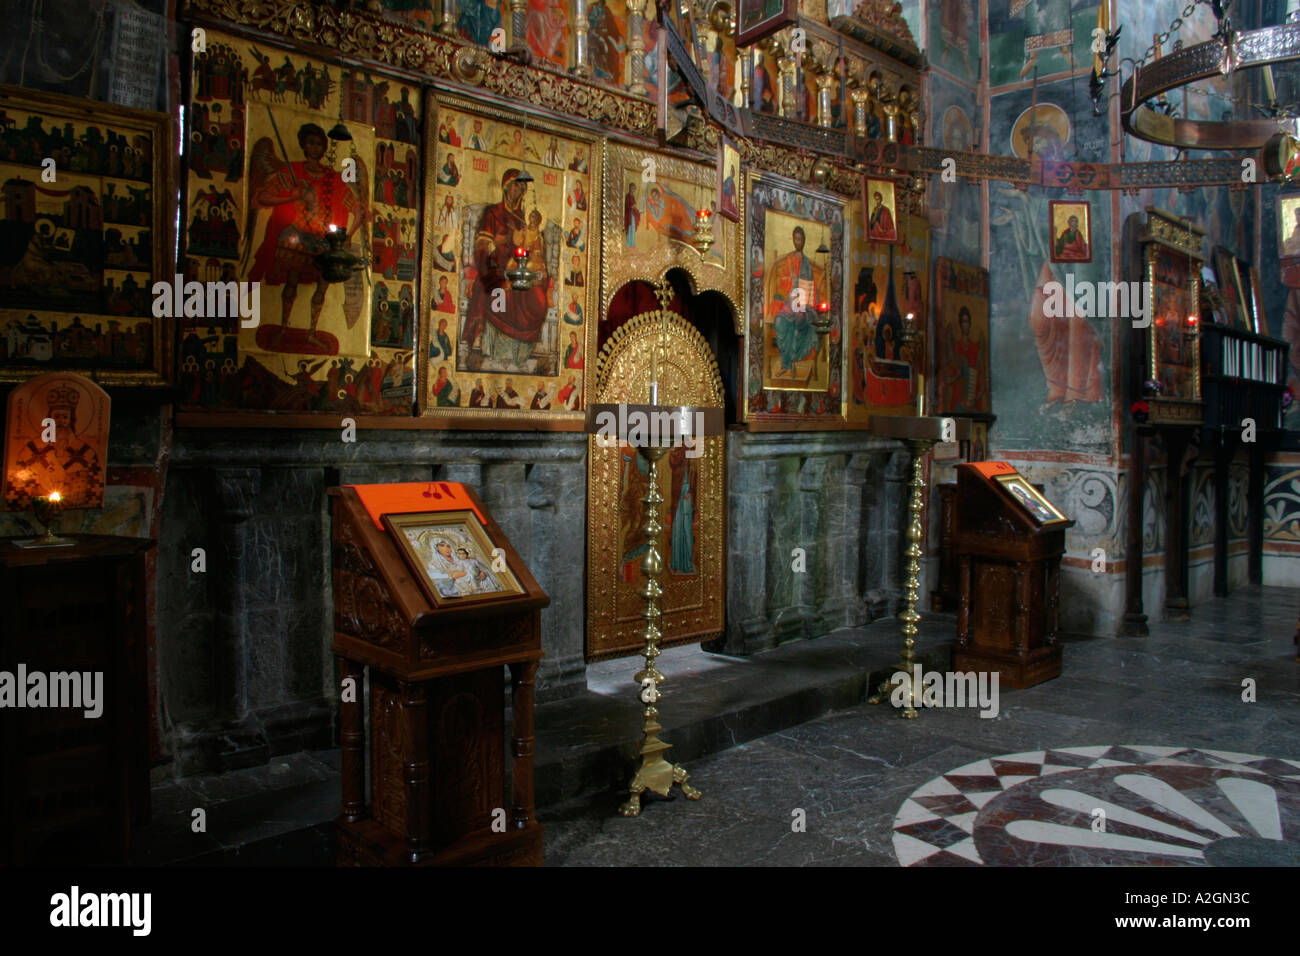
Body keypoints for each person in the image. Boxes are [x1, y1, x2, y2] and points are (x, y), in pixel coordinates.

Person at [248, 122, 361, 345]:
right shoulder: (292, 172)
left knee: (323, 284)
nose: (315, 148)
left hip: (322, 239)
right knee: (292, 281)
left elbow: (358, 209)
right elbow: (263, 198)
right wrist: (293, 196)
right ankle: (283, 327)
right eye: (311, 142)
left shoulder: (334, 179)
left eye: (319, 144)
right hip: (298, 235)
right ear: (304, 145)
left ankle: (312, 332)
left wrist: (349, 236)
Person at [461, 168, 550, 369]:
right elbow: (482, 247)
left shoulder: (523, 218)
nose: (516, 191)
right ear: (506, 187)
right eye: (514, 186)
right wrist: (497, 242)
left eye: (521, 188)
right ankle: (481, 340)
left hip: (521, 270)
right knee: (497, 292)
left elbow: (531, 247)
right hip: (496, 267)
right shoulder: (493, 213)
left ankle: (526, 349)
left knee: (538, 298)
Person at [766, 226, 823, 377]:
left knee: (800, 322)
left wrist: (803, 307)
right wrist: (790, 281)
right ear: (793, 240)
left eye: (801, 239)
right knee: (779, 321)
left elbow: (809, 287)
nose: (798, 242)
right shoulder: (789, 260)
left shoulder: (806, 265)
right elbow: (781, 283)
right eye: (796, 239)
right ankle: (787, 364)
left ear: (804, 241)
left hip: (803, 305)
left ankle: (793, 362)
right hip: (789, 303)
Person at [624, 182, 639, 247]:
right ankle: (628, 243)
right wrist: (631, 207)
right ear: (630, 188)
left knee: (632, 228)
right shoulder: (627, 196)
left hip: (633, 215)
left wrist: (636, 208)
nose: (633, 190)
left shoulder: (633, 197)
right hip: (629, 215)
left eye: (634, 189)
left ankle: (632, 243)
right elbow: (627, 206)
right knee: (629, 228)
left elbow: (634, 205)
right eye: (632, 188)